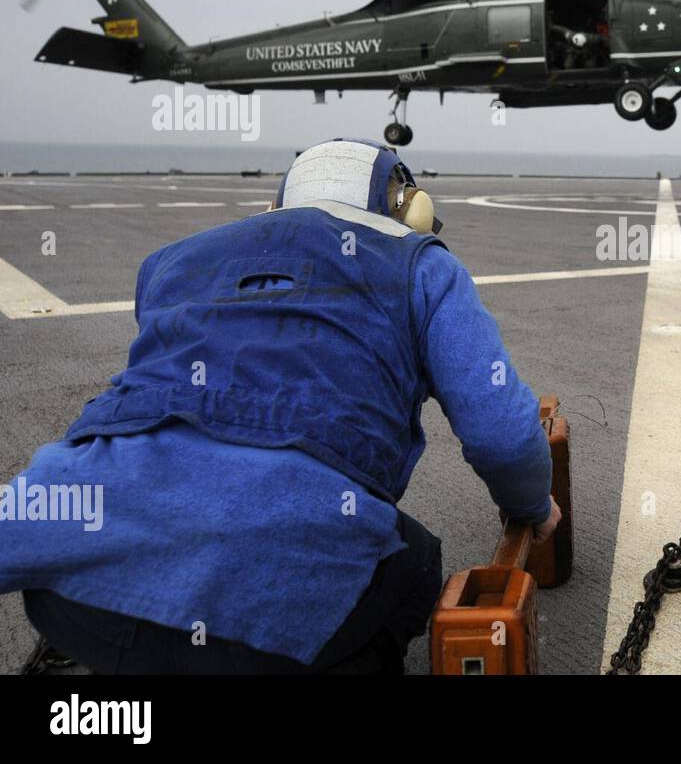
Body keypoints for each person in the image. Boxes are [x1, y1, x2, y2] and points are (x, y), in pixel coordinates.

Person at [1, 138, 560, 674]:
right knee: (414, 566)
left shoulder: (170, 262)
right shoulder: (422, 267)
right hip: (275, 608)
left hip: (76, 564)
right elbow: (502, 435)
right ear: (410, 209)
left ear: (275, 205)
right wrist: (535, 508)